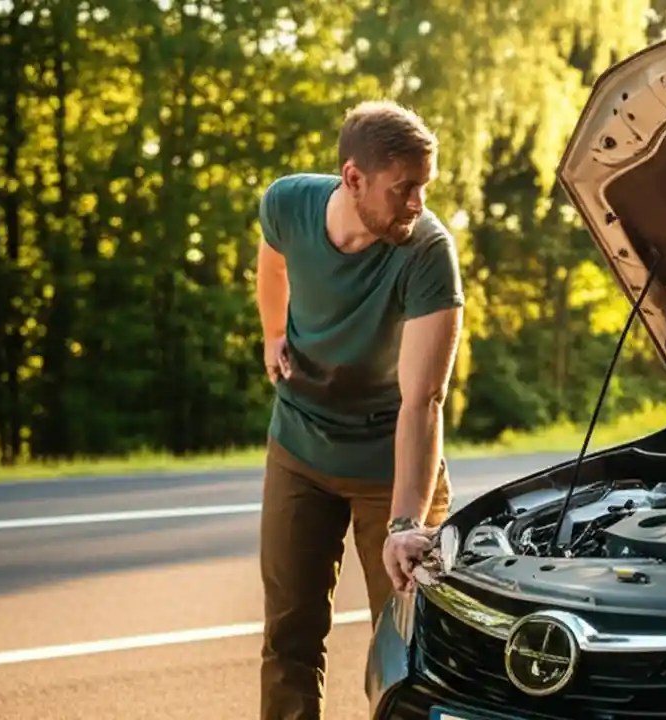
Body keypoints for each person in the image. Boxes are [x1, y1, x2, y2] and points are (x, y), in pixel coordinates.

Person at [254, 100, 464, 720]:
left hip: (389, 466)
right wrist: (273, 331)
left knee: (409, 647)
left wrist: (405, 524)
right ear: (353, 179)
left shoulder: (426, 251)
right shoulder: (287, 202)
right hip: (301, 448)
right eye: (404, 189)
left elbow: (423, 401)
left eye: (424, 188)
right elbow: (274, 258)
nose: (417, 204)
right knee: (288, 635)